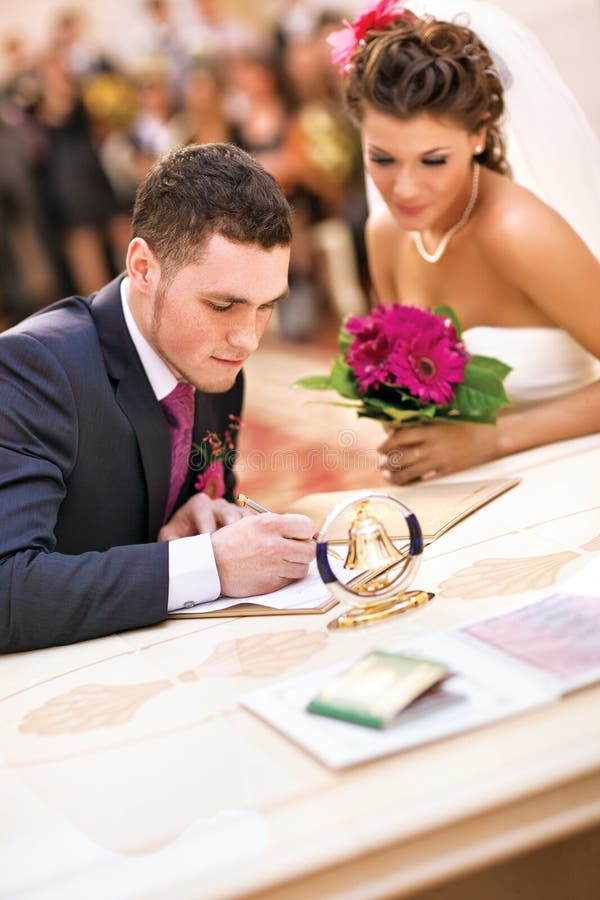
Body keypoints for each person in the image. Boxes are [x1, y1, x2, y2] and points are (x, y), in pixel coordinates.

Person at [0, 142, 316, 654]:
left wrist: (201, 518)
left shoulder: (214, 359)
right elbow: (7, 589)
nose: (248, 339)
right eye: (222, 305)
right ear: (144, 267)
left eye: (266, 307)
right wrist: (208, 565)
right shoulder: (33, 368)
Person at [328, 0, 600, 484]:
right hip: (469, 488)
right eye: (383, 159)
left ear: (478, 135)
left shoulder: (517, 230)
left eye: (433, 161)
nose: (405, 189)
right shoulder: (385, 235)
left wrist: (492, 438)